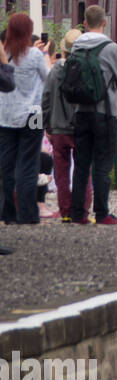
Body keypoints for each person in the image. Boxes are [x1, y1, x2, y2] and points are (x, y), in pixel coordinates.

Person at [69, 4, 117, 227]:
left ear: (84, 23)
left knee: (82, 165)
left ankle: (78, 214)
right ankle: (102, 213)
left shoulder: (75, 46)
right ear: (104, 22)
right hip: (104, 112)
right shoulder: (111, 48)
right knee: (103, 165)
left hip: (80, 113)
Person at [0, 12, 50, 224]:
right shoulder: (35, 55)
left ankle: (8, 213)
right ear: (29, 32)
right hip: (34, 114)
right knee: (29, 163)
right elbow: (48, 79)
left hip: (5, 116)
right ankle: (28, 213)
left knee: (7, 165)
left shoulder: (4, 53)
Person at [42, 27, 93, 222]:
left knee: (61, 173)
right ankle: (83, 212)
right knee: (83, 171)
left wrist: (47, 126)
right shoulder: (86, 69)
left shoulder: (55, 70)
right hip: (81, 128)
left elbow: (45, 99)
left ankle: (65, 212)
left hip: (58, 129)